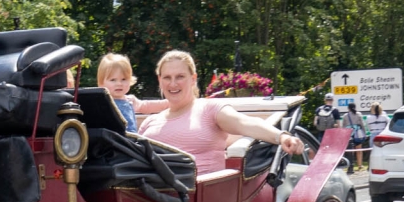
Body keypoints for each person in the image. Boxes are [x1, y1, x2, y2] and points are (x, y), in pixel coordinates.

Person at [138, 50, 306, 174]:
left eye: (180, 77)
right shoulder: (150, 122)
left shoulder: (209, 109)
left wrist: (282, 137)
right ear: (159, 80)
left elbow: (245, 123)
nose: (173, 84)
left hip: (199, 198)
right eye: (167, 77)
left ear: (193, 79)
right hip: (149, 196)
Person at [97, 54, 138, 130]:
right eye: (113, 80)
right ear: (101, 83)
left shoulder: (129, 101)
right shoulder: (103, 104)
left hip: (131, 136)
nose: (119, 84)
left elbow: (146, 105)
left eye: (123, 79)